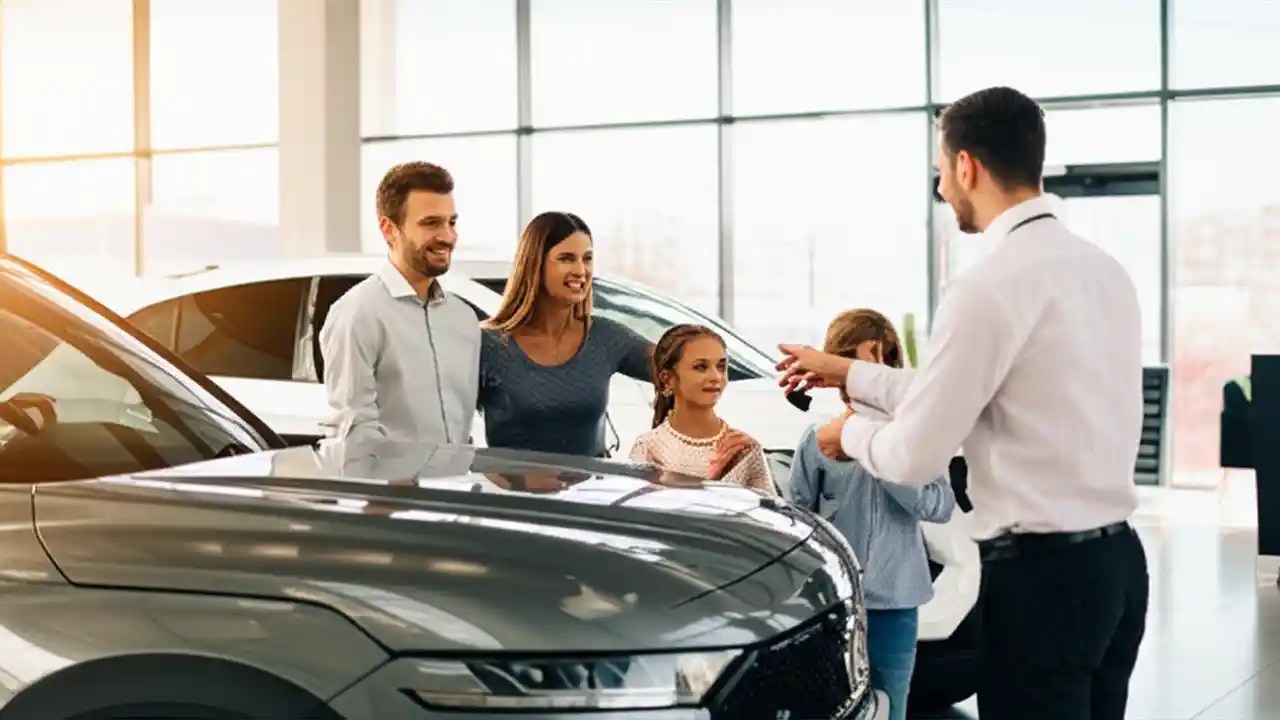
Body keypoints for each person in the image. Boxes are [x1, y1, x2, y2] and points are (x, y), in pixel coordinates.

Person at [777, 86, 1149, 720]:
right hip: (1118, 566)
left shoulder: (987, 287)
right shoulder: (1103, 271)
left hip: (1042, 578)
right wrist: (848, 372)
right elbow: (982, 391)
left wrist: (849, 435)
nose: (943, 188)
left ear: (967, 165)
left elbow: (914, 456)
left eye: (942, 170)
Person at [479, 212, 756, 475]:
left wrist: (714, 441)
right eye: (566, 258)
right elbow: (455, 429)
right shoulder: (487, 344)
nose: (581, 270)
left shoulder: (605, 337)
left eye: (587, 259)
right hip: (512, 501)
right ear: (534, 264)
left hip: (589, 499)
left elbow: (681, 369)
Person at [786, 309, 954, 720]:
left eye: (869, 366)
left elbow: (940, 506)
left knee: (891, 707)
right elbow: (799, 524)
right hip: (834, 608)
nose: (854, 381)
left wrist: (880, 451)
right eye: (846, 365)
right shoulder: (816, 440)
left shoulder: (918, 438)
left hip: (896, 606)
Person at [320, 161, 480, 445]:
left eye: (451, 222)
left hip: (457, 475)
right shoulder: (358, 314)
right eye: (431, 223)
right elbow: (354, 432)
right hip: (385, 476)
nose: (447, 236)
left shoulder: (463, 318)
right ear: (389, 229)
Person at [629, 324, 775, 495]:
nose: (716, 377)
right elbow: (642, 510)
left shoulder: (743, 449)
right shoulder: (648, 448)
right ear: (667, 379)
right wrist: (712, 480)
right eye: (700, 367)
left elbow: (770, 509)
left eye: (721, 367)